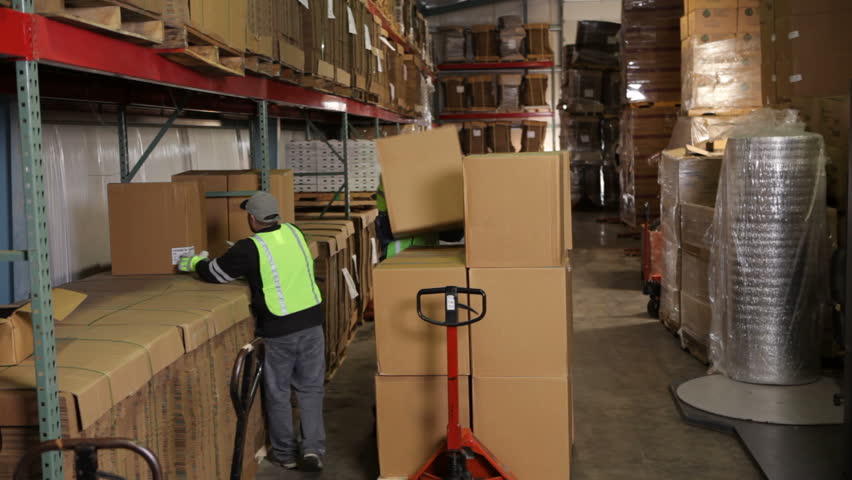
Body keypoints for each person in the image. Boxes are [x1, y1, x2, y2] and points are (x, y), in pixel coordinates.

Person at [177, 192, 326, 472]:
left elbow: (215, 273)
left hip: (280, 329)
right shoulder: (294, 232)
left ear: (252, 218)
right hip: (312, 323)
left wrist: (195, 263)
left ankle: (286, 454)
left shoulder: (248, 248)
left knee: (279, 392)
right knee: (310, 388)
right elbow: (284, 268)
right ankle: (313, 449)